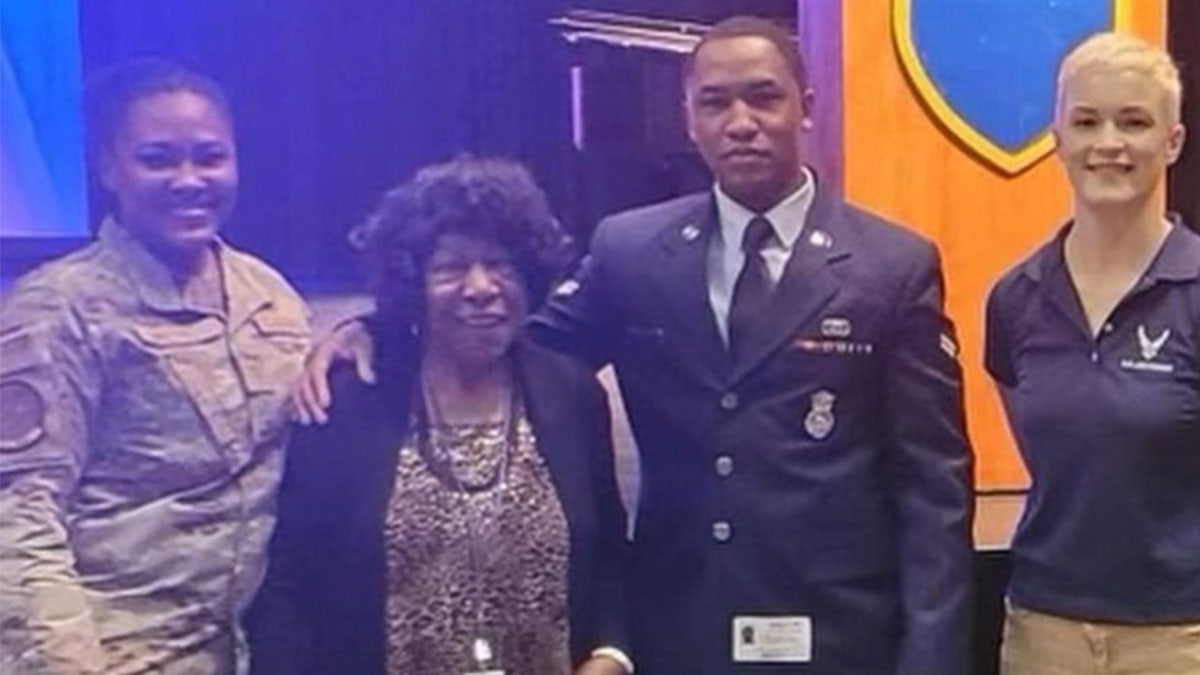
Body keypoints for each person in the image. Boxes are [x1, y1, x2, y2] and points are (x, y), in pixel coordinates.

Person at [299, 16, 974, 674]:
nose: (740, 122)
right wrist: (380, 328)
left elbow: (933, 490)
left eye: (764, 96)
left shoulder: (892, 265)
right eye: (715, 103)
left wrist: (934, 655)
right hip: (680, 630)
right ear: (689, 118)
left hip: (838, 636)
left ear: (807, 105)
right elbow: (513, 337)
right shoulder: (631, 251)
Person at [246, 156, 632, 675]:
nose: (481, 288)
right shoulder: (351, 397)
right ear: (411, 282)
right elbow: (289, 585)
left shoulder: (573, 394)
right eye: (451, 268)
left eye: (502, 266)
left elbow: (609, 558)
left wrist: (611, 656)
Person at [0, 60, 310, 675]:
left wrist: (356, 338)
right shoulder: (57, 310)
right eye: (159, 159)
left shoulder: (268, 295)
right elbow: (19, 520)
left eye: (210, 157)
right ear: (109, 168)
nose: (190, 179)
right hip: (116, 649)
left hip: (253, 650)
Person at [985, 32, 1198, 674]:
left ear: (1173, 142)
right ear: (1058, 141)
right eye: (1086, 121)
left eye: (1133, 121)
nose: (1108, 143)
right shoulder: (1014, 298)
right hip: (1041, 631)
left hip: (1181, 636)